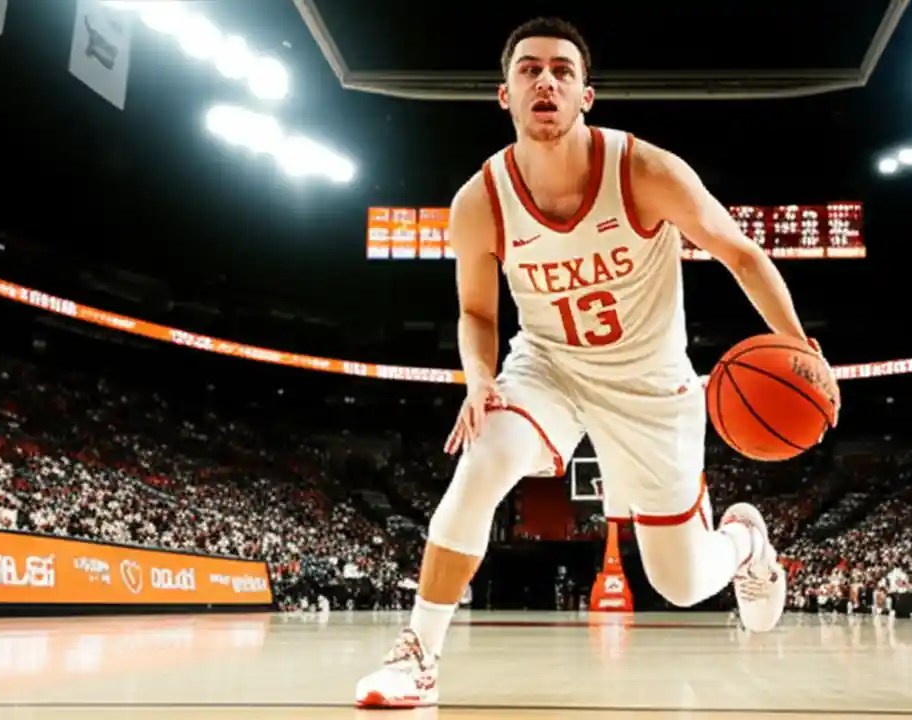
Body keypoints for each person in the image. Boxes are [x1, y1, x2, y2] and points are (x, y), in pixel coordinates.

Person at [355, 16, 832, 708]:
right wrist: (481, 378)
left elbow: (741, 254)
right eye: (528, 69)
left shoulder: (644, 171)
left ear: (586, 96)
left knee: (680, 582)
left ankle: (744, 541)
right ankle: (418, 655)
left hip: (650, 385)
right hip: (548, 366)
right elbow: (479, 314)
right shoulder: (478, 203)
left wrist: (801, 349)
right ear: (503, 95)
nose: (544, 80)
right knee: (483, 456)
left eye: (561, 70)